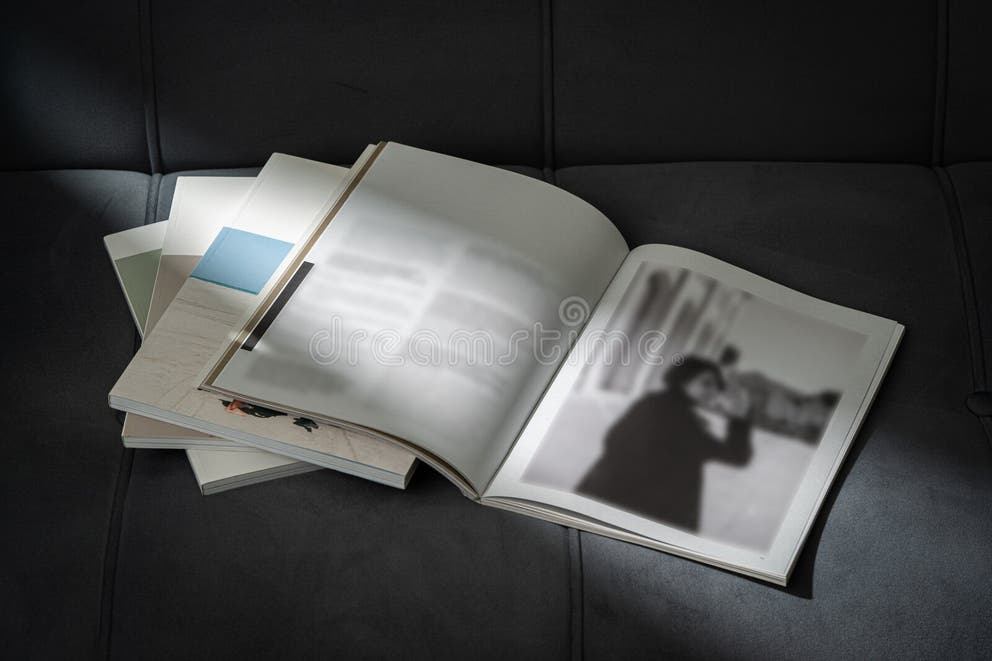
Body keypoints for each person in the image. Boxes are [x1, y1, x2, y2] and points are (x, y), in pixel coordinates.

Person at [576, 356, 753, 532]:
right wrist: (739, 417)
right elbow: (736, 456)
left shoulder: (655, 402)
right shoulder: (680, 418)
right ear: (684, 380)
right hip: (642, 516)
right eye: (706, 383)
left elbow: (612, 438)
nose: (713, 390)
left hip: (608, 500)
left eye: (716, 385)